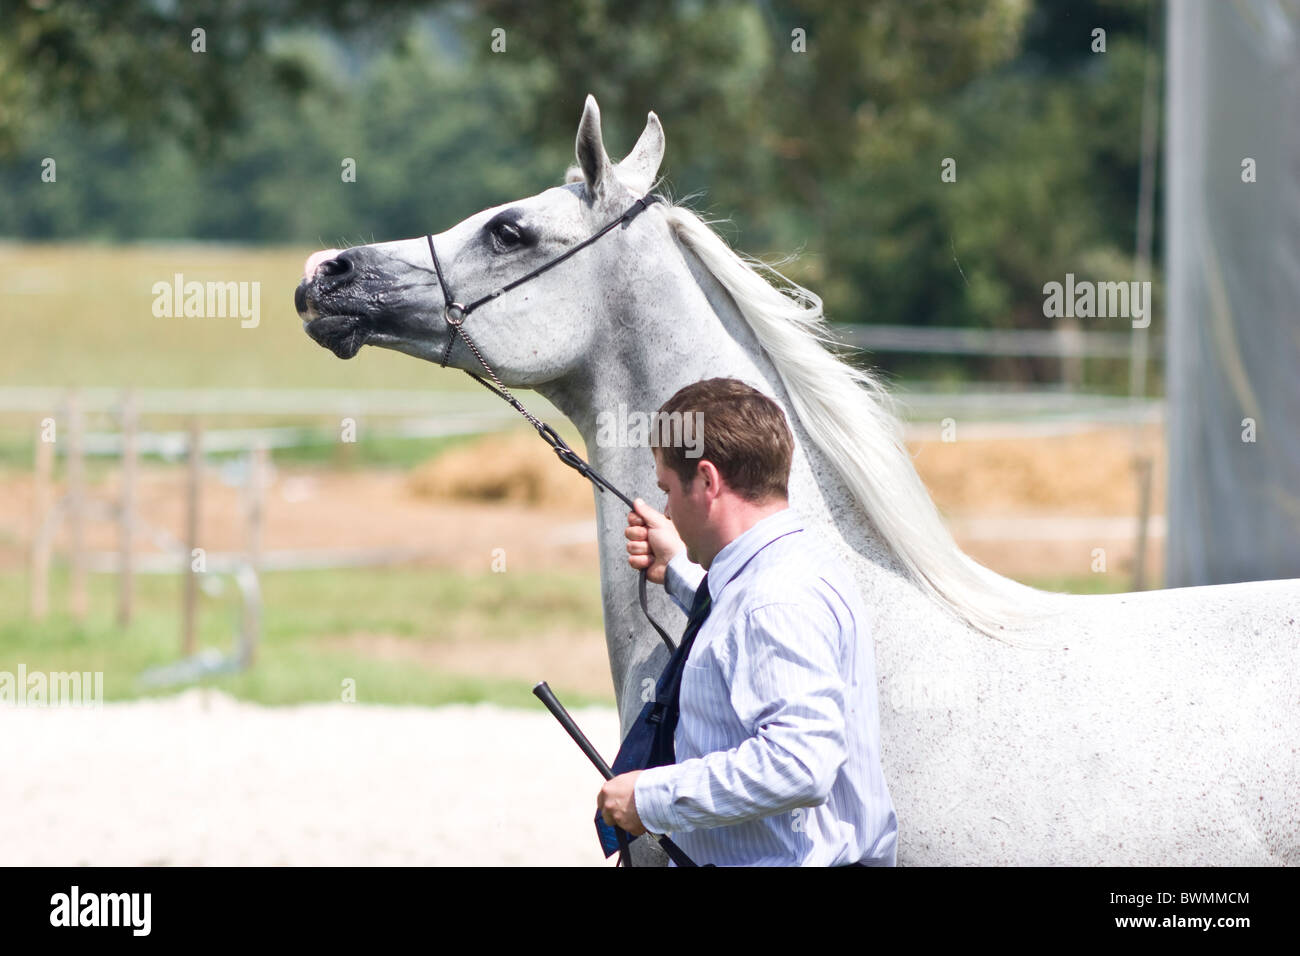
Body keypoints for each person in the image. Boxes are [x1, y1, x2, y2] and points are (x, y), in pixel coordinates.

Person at [595, 377, 898, 866]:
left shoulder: (775, 599)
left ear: (708, 481)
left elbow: (800, 763)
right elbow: (739, 635)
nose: (668, 510)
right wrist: (675, 569)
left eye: (669, 490)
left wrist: (650, 797)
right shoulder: (790, 564)